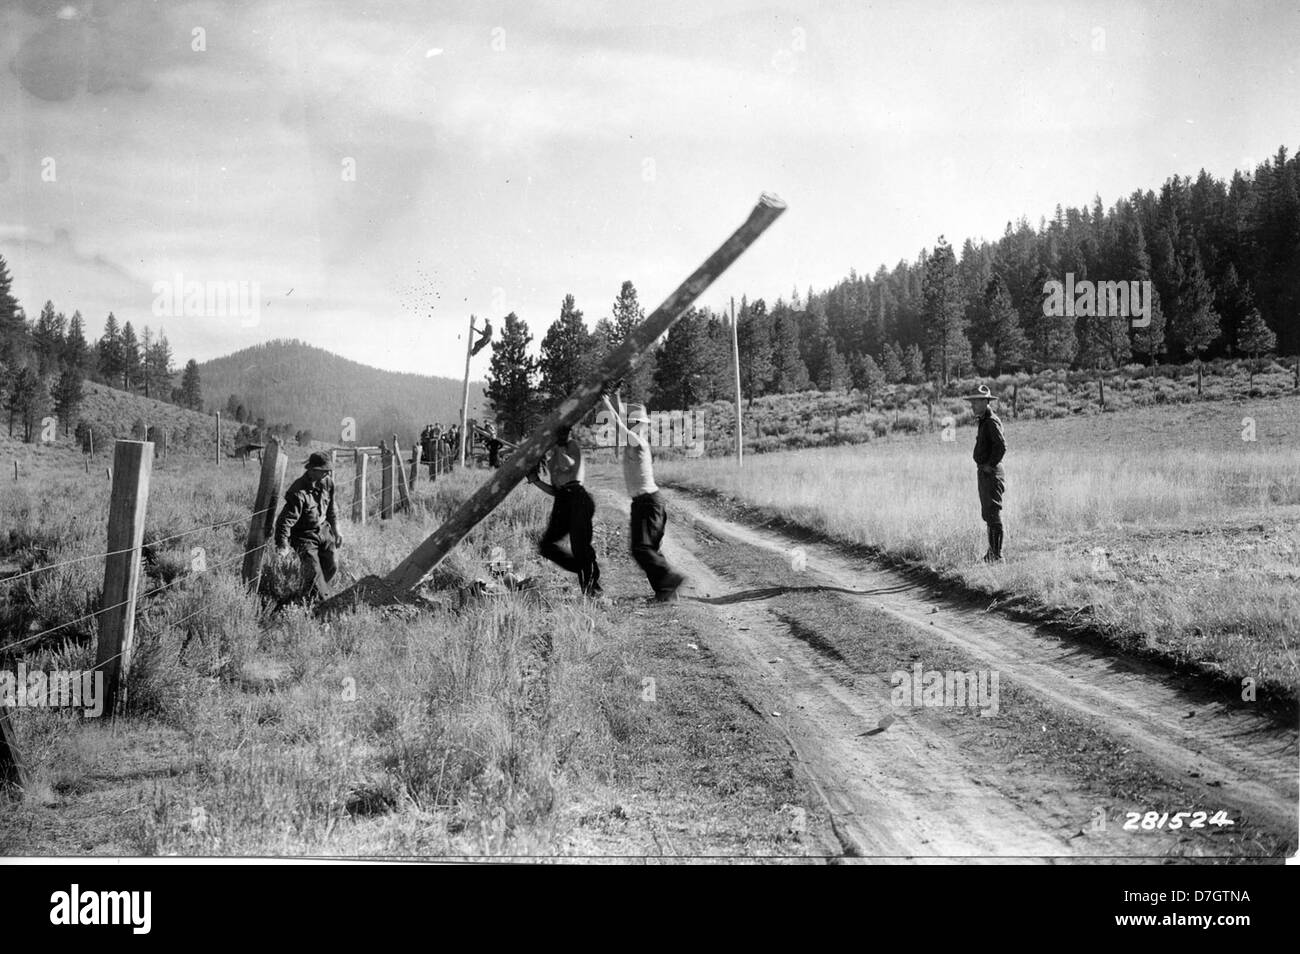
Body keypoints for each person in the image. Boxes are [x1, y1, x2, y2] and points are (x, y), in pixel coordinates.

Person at [600, 394, 686, 601]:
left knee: (642, 549)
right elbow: (620, 417)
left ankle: (670, 579)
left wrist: (604, 401)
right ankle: (666, 593)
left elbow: (616, 422)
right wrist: (615, 396)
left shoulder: (636, 440)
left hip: (648, 502)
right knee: (648, 550)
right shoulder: (634, 438)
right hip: (644, 503)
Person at [527, 424, 601, 596]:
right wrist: (536, 481)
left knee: (580, 548)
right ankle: (581, 567)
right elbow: (556, 490)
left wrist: (559, 446)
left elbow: (567, 465)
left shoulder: (572, 446)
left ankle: (592, 589)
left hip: (578, 499)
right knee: (546, 545)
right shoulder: (553, 457)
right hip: (563, 501)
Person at [274, 451, 343, 603]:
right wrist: (283, 545)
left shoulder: (328, 483)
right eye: (323, 470)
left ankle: (311, 591)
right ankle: (322, 602)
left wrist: (337, 530)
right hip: (304, 536)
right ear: (312, 470)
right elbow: (285, 521)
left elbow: (331, 508)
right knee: (314, 570)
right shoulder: (298, 491)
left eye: (328, 470)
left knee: (332, 565)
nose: (327, 473)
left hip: (323, 530)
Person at [963, 384, 1006, 562]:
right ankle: (992, 553)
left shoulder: (990, 421)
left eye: (975, 402)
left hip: (991, 472)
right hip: (986, 472)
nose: (972, 405)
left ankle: (997, 555)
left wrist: (989, 464)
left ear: (985, 402)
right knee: (988, 513)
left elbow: (1001, 446)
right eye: (972, 402)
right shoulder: (984, 420)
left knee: (993, 513)